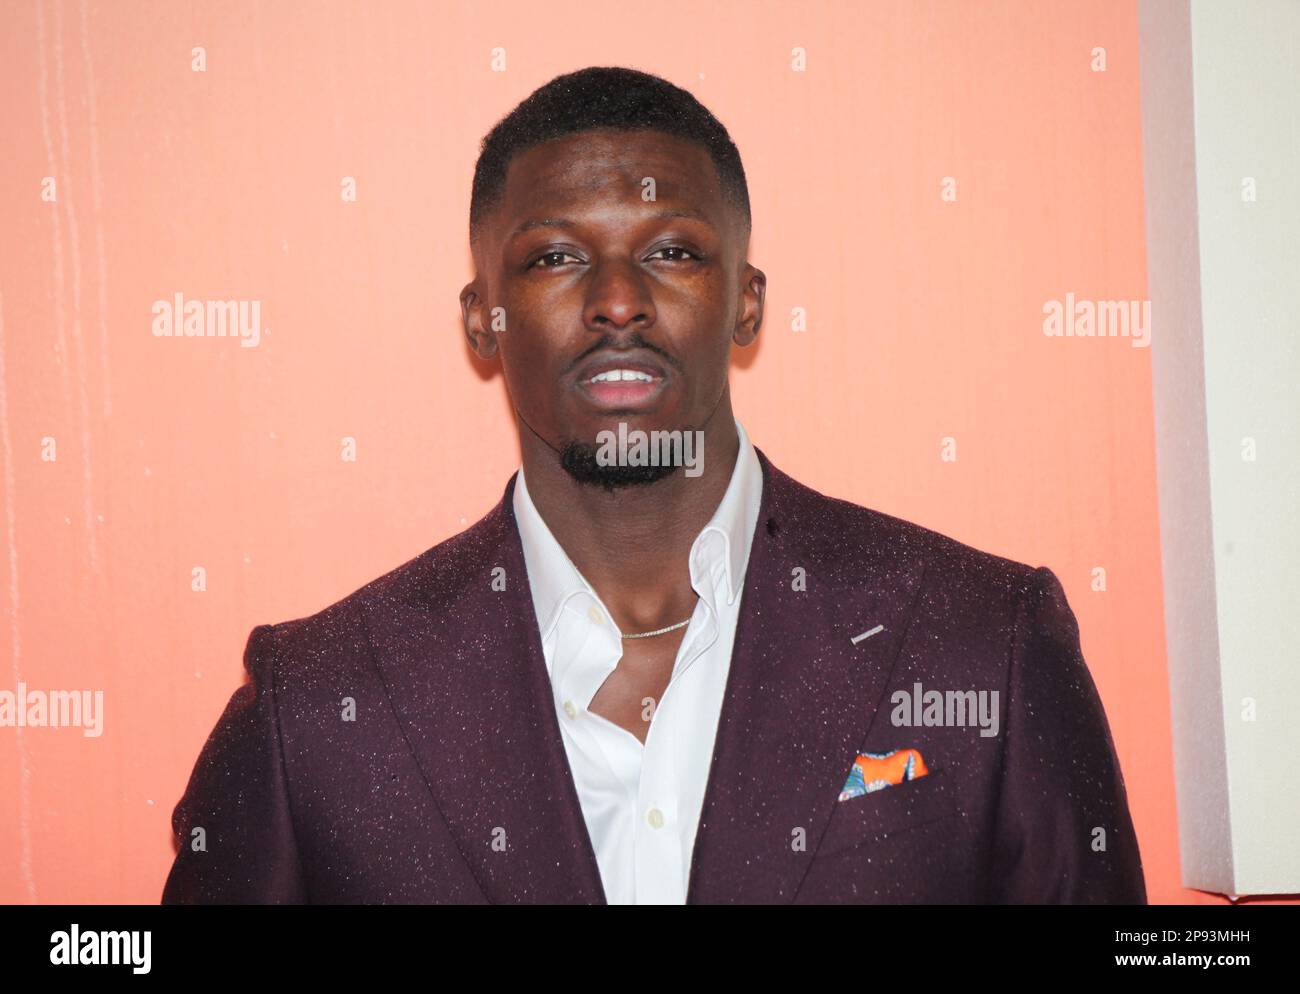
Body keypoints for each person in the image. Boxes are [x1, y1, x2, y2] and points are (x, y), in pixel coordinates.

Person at [162, 66, 1146, 904]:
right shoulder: (320, 707)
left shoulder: (986, 644)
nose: (618, 300)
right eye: (553, 256)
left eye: (671, 251)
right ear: (481, 321)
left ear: (747, 304)